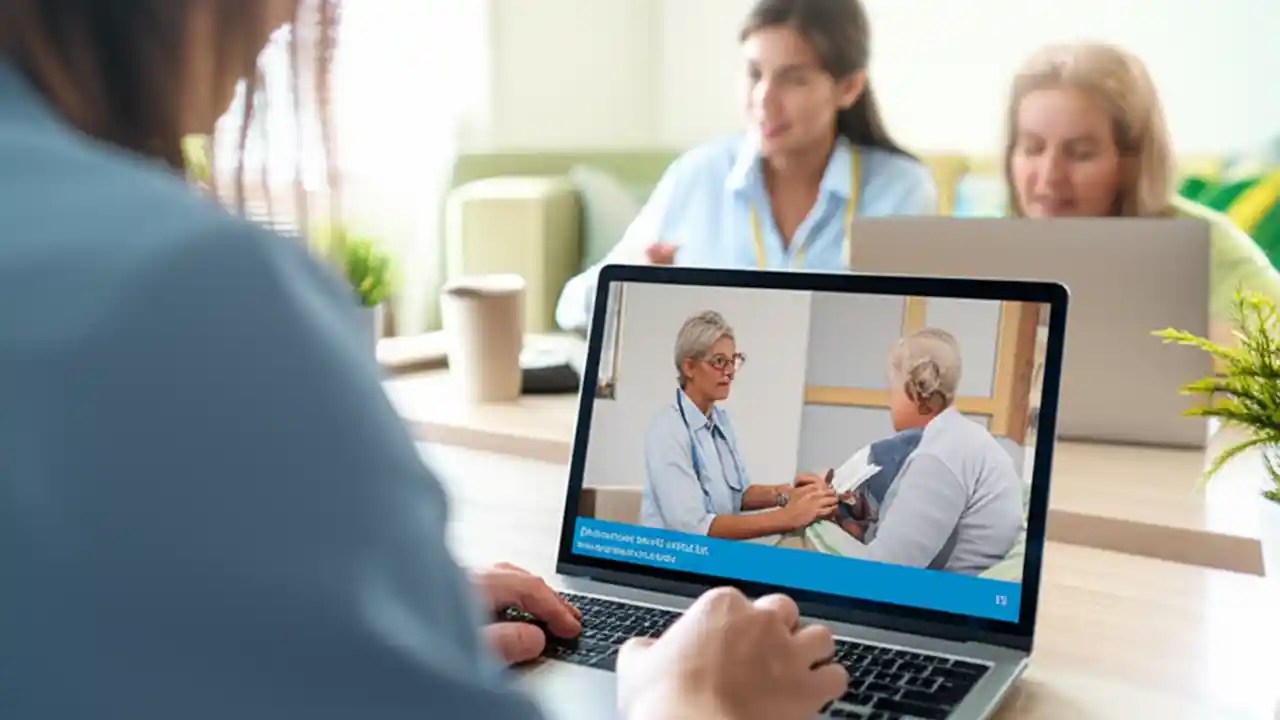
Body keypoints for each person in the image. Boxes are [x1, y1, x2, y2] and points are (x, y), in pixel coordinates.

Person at [0, 2, 847, 718]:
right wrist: (693, 704)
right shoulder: (192, 289)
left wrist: (357, 610)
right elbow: (703, 518)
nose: (288, 20)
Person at [555, 0, 938, 332]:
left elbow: (927, 328)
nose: (764, 100)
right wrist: (631, 283)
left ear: (849, 88)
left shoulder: (901, 189)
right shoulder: (698, 175)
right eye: (754, 74)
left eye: (793, 80)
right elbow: (571, 308)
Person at [1004, 42, 1280, 345]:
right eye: (1032, 149)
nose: (1049, 177)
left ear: (1132, 160)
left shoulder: (1211, 252)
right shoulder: (989, 249)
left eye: (1080, 154)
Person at [829, 329, 1024, 575]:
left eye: (893, 390)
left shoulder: (941, 456)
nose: (890, 402)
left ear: (915, 390)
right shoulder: (959, 438)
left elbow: (887, 571)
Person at [641, 311, 837, 539]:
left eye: (733, 360)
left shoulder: (720, 421)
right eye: (719, 362)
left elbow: (738, 495)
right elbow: (694, 529)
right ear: (689, 367)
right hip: (673, 561)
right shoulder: (667, 431)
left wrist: (787, 495)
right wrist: (788, 517)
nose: (731, 371)